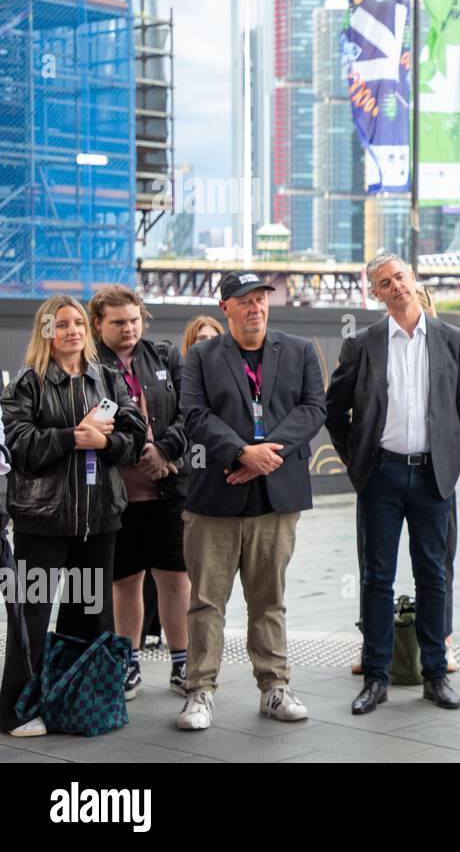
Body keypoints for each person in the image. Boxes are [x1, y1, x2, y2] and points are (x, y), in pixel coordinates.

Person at [325, 254, 460, 715]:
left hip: (434, 477)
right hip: (382, 476)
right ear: (375, 294)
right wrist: (358, 462)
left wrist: (449, 457)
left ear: (414, 280)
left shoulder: (452, 340)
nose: (395, 286)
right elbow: (335, 410)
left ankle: (435, 673)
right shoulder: (364, 344)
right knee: (377, 578)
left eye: (400, 277)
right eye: (384, 283)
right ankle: (376, 676)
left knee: (434, 576)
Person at [177, 271, 326, 731]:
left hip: (276, 495)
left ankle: (275, 687)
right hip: (215, 495)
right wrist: (242, 452)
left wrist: (265, 455)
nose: (255, 307)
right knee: (206, 602)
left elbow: (313, 407)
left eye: (261, 298)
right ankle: (199, 692)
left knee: (269, 599)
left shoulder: (299, 350)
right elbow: (195, 415)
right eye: (244, 300)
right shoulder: (202, 356)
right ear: (226, 308)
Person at [0, 296, 146, 737]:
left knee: (91, 613)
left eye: (78, 323)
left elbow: (136, 435)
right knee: (32, 618)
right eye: (62, 324)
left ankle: (78, 701)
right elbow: (19, 446)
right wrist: (71, 438)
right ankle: (16, 710)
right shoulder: (27, 383)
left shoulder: (108, 377)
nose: (73, 331)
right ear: (46, 332)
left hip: (99, 519)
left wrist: (104, 445)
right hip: (41, 520)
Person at [88, 285, 191, 699]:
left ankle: (183, 663)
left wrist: (165, 451)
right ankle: (128, 662)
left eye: (133, 320)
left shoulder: (165, 355)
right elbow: (93, 425)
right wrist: (139, 453)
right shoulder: (89, 365)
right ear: (98, 324)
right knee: (125, 582)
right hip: (116, 493)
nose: (128, 329)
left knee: (175, 579)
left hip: (169, 489)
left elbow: (190, 413)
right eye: (117, 322)